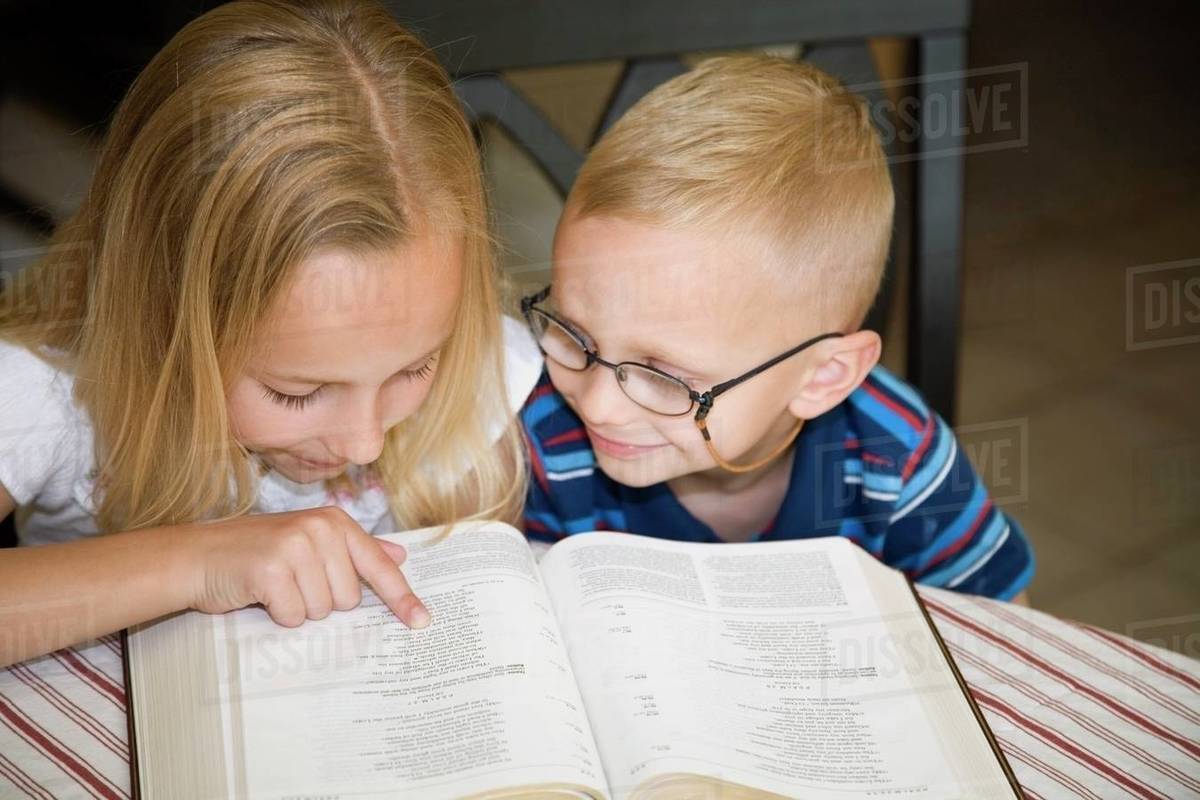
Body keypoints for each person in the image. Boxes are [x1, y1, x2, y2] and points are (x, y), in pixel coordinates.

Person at [0, 0, 541, 667]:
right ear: (161, 309)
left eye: (413, 368)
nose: (364, 441)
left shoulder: (478, 361)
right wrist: (198, 563)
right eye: (297, 392)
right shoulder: (45, 387)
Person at [519, 55, 1033, 603]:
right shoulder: (542, 438)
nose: (597, 406)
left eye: (661, 376)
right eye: (573, 334)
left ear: (823, 377)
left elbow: (1005, 625)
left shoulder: (899, 461)